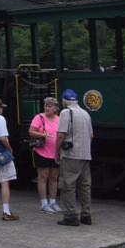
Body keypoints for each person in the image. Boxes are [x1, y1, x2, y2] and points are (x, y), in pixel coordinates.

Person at [55, 89, 94, 227]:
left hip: (71, 154)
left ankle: (70, 216)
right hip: (85, 154)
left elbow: (60, 135)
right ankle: (86, 215)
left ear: (64, 101)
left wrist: (56, 152)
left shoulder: (66, 112)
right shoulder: (85, 113)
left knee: (68, 185)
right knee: (84, 186)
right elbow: (91, 136)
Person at [29, 97, 62, 214]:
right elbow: (31, 131)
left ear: (56, 108)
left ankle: (53, 202)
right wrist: (43, 135)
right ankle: (44, 204)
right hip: (41, 152)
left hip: (55, 153)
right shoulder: (39, 117)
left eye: (50, 106)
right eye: (46, 106)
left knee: (54, 178)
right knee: (43, 178)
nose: (47, 108)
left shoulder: (59, 119)